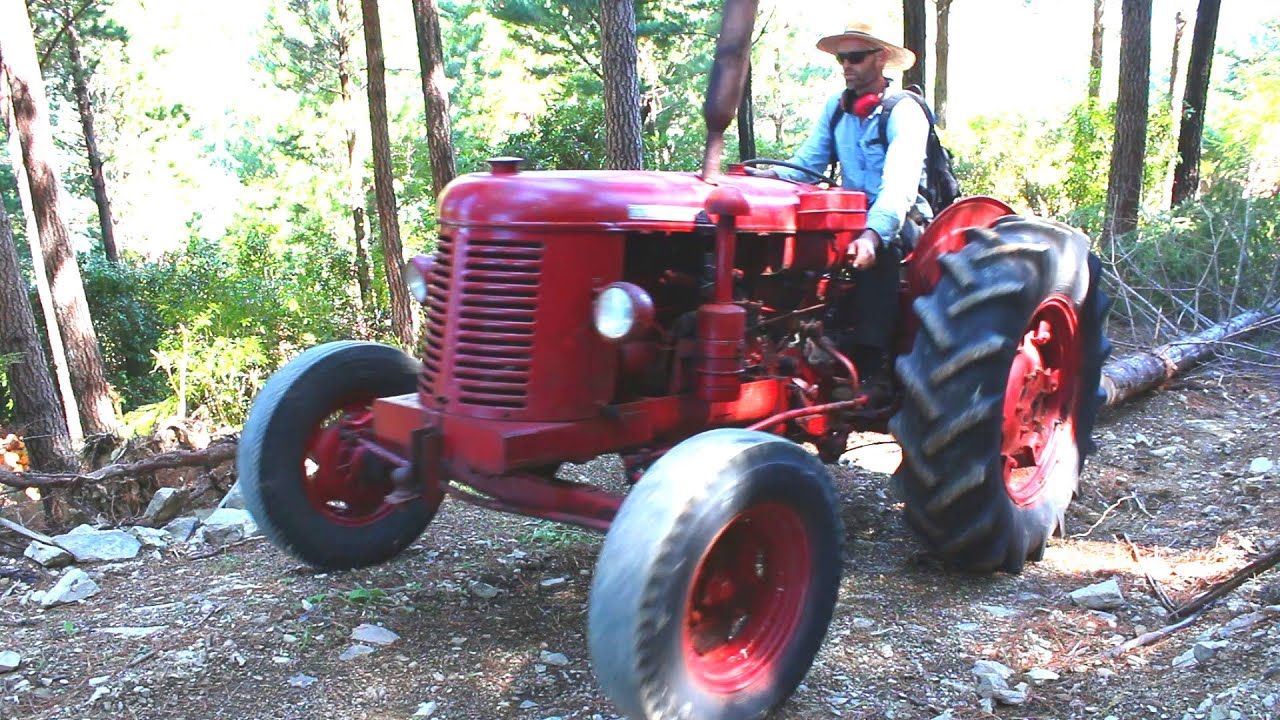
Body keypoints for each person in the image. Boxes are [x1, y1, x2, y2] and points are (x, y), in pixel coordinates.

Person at [752, 23, 932, 395]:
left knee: (883, 250)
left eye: (855, 57)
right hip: (852, 215)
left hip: (902, 217)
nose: (846, 66)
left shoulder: (904, 111)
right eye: (841, 58)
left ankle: (872, 364)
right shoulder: (838, 108)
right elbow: (808, 164)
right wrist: (767, 175)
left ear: (881, 59)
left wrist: (871, 235)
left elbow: (898, 189)